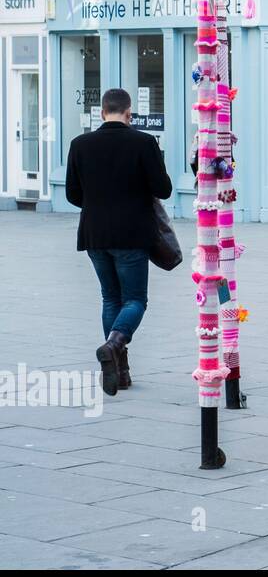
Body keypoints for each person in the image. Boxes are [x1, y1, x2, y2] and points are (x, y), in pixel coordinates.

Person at [65, 88, 173, 395]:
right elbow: (162, 189)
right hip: (132, 233)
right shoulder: (143, 142)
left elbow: (73, 194)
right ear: (129, 114)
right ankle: (114, 344)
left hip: (94, 233)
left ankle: (121, 372)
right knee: (136, 299)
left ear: (102, 113)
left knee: (110, 297)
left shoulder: (80, 144)